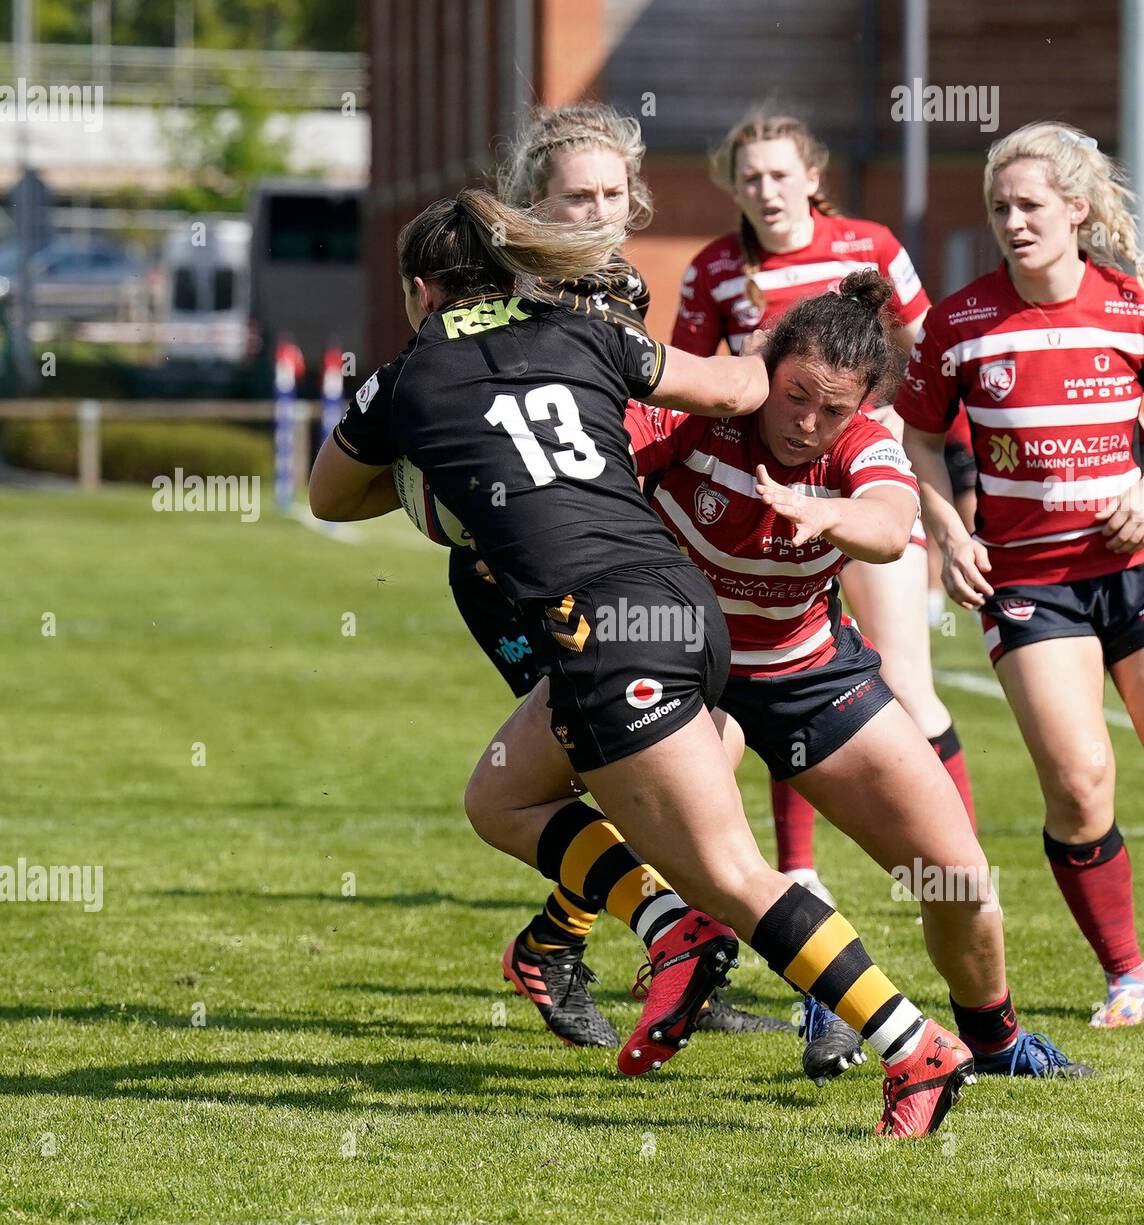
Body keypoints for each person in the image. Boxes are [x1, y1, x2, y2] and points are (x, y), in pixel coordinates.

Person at [311, 188, 977, 1137]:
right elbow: (742, 388)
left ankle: (912, 1043)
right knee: (499, 797)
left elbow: (332, 497)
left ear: (422, 290)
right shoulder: (587, 333)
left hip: (607, 630)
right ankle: (667, 926)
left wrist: (436, 466)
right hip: (683, 610)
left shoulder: (408, 378)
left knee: (731, 873)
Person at [630, 268, 1088, 1082]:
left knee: (956, 877)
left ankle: (994, 1039)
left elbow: (886, 526)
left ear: (863, 405)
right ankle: (818, 986)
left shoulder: (864, 445)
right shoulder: (703, 413)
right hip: (682, 666)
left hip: (806, 674)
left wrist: (828, 513)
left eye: (832, 409)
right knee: (673, 841)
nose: (807, 423)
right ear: (767, 367)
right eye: (795, 394)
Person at [894, 121, 1144, 1027]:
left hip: (1142, 567)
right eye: (1000, 207)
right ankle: (1126, 974)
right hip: (1030, 586)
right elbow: (917, 433)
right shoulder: (960, 323)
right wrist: (949, 530)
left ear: (1076, 208)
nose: (1013, 221)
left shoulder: (1139, 307)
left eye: (1031, 204)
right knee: (1079, 785)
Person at [434, 102, 788, 1043]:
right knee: (629, 764)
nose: (594, 212)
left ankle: (597, 945)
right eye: (571, 197)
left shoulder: (621, 288)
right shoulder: (487, 286)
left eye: (609, 194)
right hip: (517, 575)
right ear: (527, 206)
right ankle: (644, 950)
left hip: (609, 569)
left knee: (704, 746)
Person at [673, 108, 978, 903]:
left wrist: (901, 455)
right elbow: (698, 382)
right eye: (749, 178)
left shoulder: (871, 247)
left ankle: (959, 866)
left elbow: (928, 354)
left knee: (907, 681)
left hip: (863, 484)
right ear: (733, 187)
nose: (765, 190)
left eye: (779, 174)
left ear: (813, 177)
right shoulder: (710, 269)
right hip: (756, 502)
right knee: (772, 666)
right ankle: (797, 873)